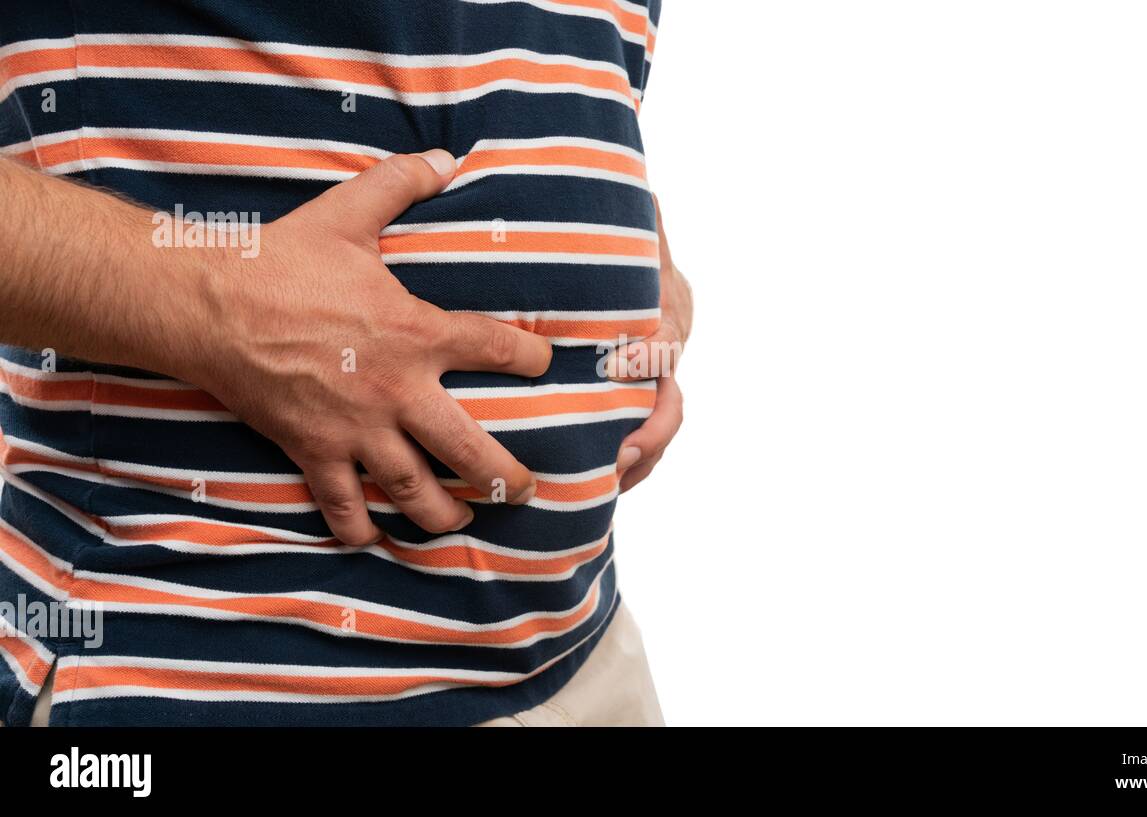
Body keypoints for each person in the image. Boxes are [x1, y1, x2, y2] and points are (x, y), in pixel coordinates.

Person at [0, 0, 691, 726]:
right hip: (205, 671)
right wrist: (223, 304)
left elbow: (578, 77)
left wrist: (645, 282)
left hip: (586, 656)